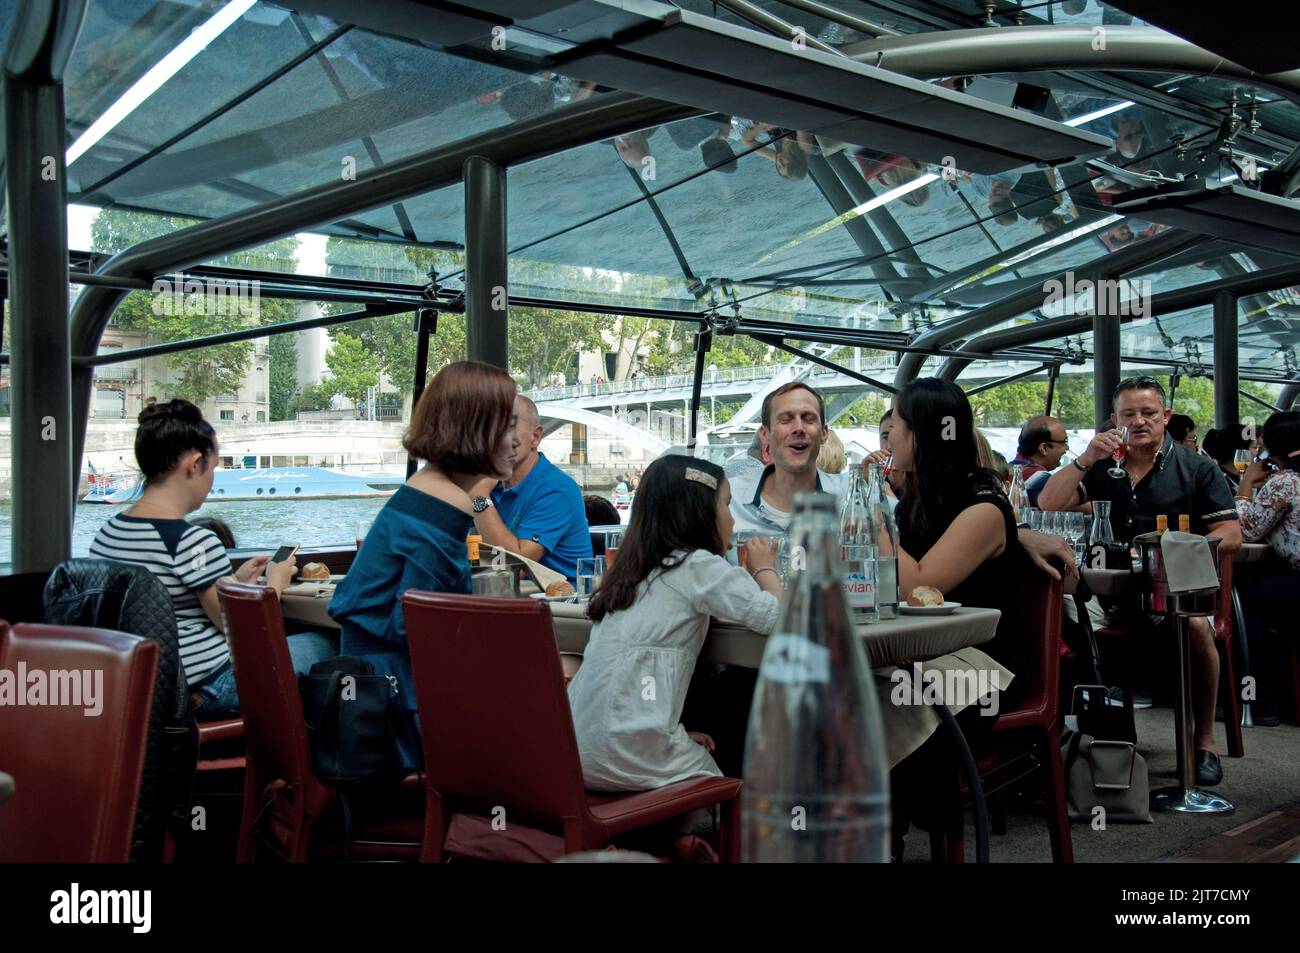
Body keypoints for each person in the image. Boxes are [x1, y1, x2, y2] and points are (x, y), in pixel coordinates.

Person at [567, 455, 781, 862]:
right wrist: (766, 569)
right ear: (698, 513)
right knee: (722, 782)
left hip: (576, 751)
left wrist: (673, 733)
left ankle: (637, 846)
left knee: (689, 752)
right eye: (725, 504)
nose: (732, 520)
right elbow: (778, 617)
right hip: (626, 751)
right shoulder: (697, 566)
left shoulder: (629, 576)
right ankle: (689, 848)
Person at [1038, 376, 1241, 784]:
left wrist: (1171, 553)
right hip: (1108, 593)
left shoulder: (1196, 469)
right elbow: (1047, 503)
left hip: (1174, 591)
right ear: (1115, 419)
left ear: (1165, 417)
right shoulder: (1101, 467)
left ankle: (1203, 741)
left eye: (1149, 413)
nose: (1139, 421)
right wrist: (1083, 459)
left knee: (1198, 630)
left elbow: (1231, 535)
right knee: (1053, 617)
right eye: (1129, 414)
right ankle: (1108, 734)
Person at [90, 400, 334, 721]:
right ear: (194, 464)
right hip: (208, 689)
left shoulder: (109, 533)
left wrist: (236, 584)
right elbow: (244, 630)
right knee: (331, 643)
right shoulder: (191, 540)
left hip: (143, 691)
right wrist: (274, 582)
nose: (212, 480)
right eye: (213, 468)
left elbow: (176, 602)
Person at [328, 361, 519, 769]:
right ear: (477, 429)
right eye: (507, 426)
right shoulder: (447, 504)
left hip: (371, 698)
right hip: (398, 711)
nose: (517, 440)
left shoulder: (424, 489)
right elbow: (418, 627)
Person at [469, 394, 593, 583]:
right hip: (505, 600)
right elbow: (463, 551)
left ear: (535, 437)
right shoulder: (489, 484)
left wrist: (478, 497)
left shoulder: (556, 490)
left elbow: (515, 568)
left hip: (560, 607)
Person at [1232, 411, 1300, 725]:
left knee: (1243, 602)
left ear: (1270, 444)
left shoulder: (1285, 482)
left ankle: (1262, 699)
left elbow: (1245, 530)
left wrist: (1245, 484)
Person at [1201, 425, 1252, 492]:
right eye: (1255, 447)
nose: (1257, 452)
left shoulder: (1245, 475)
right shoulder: (1217, 482)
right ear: (1240, 451)